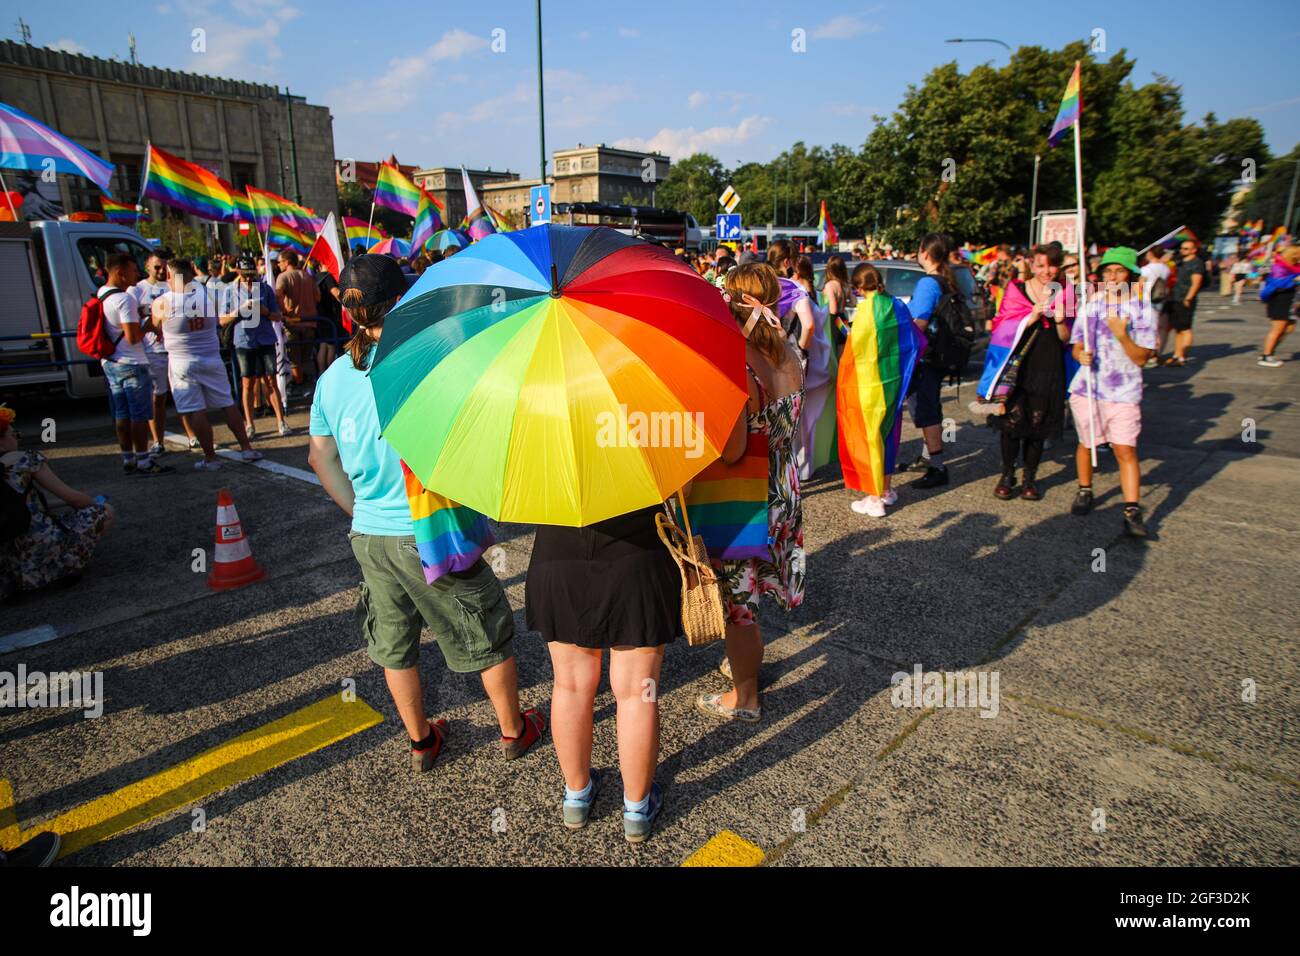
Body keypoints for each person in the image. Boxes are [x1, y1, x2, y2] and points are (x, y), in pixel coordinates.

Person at [308, 255, 544, 773]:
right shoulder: (431, 358)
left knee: (394, 642)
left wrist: (362, 510)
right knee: (483, 627)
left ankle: (421, 740)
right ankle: (512, 728)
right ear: (398, 303)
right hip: (430, 528)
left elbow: (320, 458)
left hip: (370, 534)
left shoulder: (331, 380)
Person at [691, 263, 804, 725]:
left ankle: (745, 696)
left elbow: (734, 450)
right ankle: (744, 666)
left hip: (746, 501)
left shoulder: (738, 365)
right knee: (755, 593)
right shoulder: (790, 354)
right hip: (782, 488)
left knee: (740, 607)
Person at [1069, 247, 1156, 538]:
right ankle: (1085, 488)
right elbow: (1076, 345)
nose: (1113, 277)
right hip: (1088, 388)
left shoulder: (1143, 310)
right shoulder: (1091, 306)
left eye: (1119, 271)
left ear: (1131, 275)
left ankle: (1131, 509)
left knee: (1124, 448)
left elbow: (1143, 358)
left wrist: (1121, 333)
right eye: (1108, 271)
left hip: (1124, 392)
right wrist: (1081, 355)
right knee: (1087, 442)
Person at [152, 258, 262, 470]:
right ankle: (246, 448)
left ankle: (211, 458)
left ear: (169, 276)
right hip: (211, 357)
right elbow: (220, 319)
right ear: (191, 272)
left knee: (196, 410)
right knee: (227, 403)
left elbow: (155, 326)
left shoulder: (163, 301)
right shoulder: (207, 294)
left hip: (181, 361)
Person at [1, 404, 115, 599]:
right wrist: (93, 502)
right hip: (36, 543)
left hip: (6, 552)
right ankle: (67, 565)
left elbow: (20, 503)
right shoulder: (24, 460)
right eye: (14, 434)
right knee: (104, 511)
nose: (17, 438)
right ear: (1, 441)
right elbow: (72, 498)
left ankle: (22, 578)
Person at [988, 245, 1073, 501]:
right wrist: (1030, 318)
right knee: (1012, 422)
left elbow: (1067, 339)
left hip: (1048, 364)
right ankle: (1007, 473)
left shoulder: (1066, 292)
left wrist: (1059, 321)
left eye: (1051, 265)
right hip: (1018, 365)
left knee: (1038, 422)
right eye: (1040, 265)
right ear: (1031, 265)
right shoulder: (1016, 289)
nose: (1046, 271)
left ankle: (1030, 478)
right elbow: (1001, 327)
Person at [839, 263, 920, 516]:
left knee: (870, 439)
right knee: (887, 437)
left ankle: (874, 499)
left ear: (860, 287)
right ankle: (886, 490)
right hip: (893, 383)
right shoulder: (897, 305)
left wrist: (841, 327)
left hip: (868, 390)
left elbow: (855, 350)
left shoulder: (865, 311)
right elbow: (915, 340)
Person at [98, 253, 173, 476]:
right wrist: (150, 325)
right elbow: (133, 337)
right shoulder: (125, 299)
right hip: (132, 362)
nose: (136, 273)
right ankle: (143, 459)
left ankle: (128, 458)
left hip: (112, 362)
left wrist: (140, 313)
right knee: (139, 414)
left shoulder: (103, 294)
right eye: (132, 270)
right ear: (120, 273)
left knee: (122, 413)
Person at [900, 233, 955, 489]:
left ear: (924, 252)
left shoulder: (927, 283)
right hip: (940, 355)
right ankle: (926, 458)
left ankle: (937, 467)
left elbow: (919, 323)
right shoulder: (946, 280)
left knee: (925, 409)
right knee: (931, 406)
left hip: (926, 357)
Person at [222, 256, 290, 436]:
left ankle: (281, 422)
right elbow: (222, 319)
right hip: (243, 340)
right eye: (245, 275)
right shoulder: (230, 291)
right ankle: (249, 424)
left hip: (265, 338)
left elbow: (277, 316)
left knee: (271, 381)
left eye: (252, 274)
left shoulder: (265, 289)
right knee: (248, 384)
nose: (249, 278)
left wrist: (265, 311)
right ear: (237, 272)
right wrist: (238, 311)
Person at [134, 250, 182, 456]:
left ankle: (192, 435)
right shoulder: (137, 290)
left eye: (165, 267)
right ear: (147, 266)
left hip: (177, 348)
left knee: (183, 394)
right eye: (157, 267)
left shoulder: (177, 287)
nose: (161, 271)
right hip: (153, 351)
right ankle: (158, 440)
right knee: (158, 398)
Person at [274, 250, 320, 395]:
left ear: (287, 262)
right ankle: (308, 386)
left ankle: (300, 385)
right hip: (310, 323)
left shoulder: (283, 276)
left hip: (293, 323)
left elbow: (278, 294)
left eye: (280, 262)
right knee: (307, 357)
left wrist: (284, 311)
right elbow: (318, 297)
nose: (278, 264)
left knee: (295, 358)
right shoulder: (307, 275)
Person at [1163, 238, 1204, 366]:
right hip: (1174, 297)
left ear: (1194, 250)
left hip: (1184, 299)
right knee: (1177, 329)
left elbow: (1196, 283)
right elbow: (1164, 262)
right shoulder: (1180, 261)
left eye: (1186, 248)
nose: (1182, 250)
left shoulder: (1196, 263)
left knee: (1185, 328)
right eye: (1182, 248)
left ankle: (1182, 356)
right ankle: (1177, 354)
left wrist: (1188, 298)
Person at [1257, 244, 1300, 367]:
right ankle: (1266, 356)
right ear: (1294, 254)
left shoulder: (1295, 266)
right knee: (1278, 328)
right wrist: (1294, 279)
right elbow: (1277, 283)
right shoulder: (1279, 266)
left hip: (1292, 301)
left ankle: (1270, 351)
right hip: (1280, 300)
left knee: (1289, 328)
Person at [823, 254, 853, 349]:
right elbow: (853, 302)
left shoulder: (830, 285)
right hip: (843, 320)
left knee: (834, 354)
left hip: (833, 322)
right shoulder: (845, 285)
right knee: (843, 349)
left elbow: (833, 310)